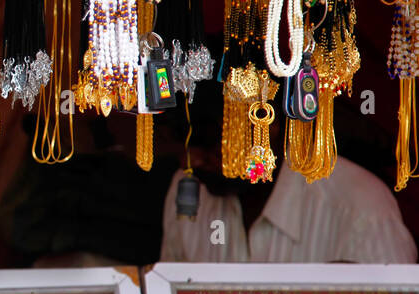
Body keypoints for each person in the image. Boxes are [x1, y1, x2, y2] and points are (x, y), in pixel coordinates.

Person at [160, 82, 416, 263]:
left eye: (208, 141)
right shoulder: (186, 188)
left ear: (267, 126)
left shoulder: (358, 206)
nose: (190, 161)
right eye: (181, 141)